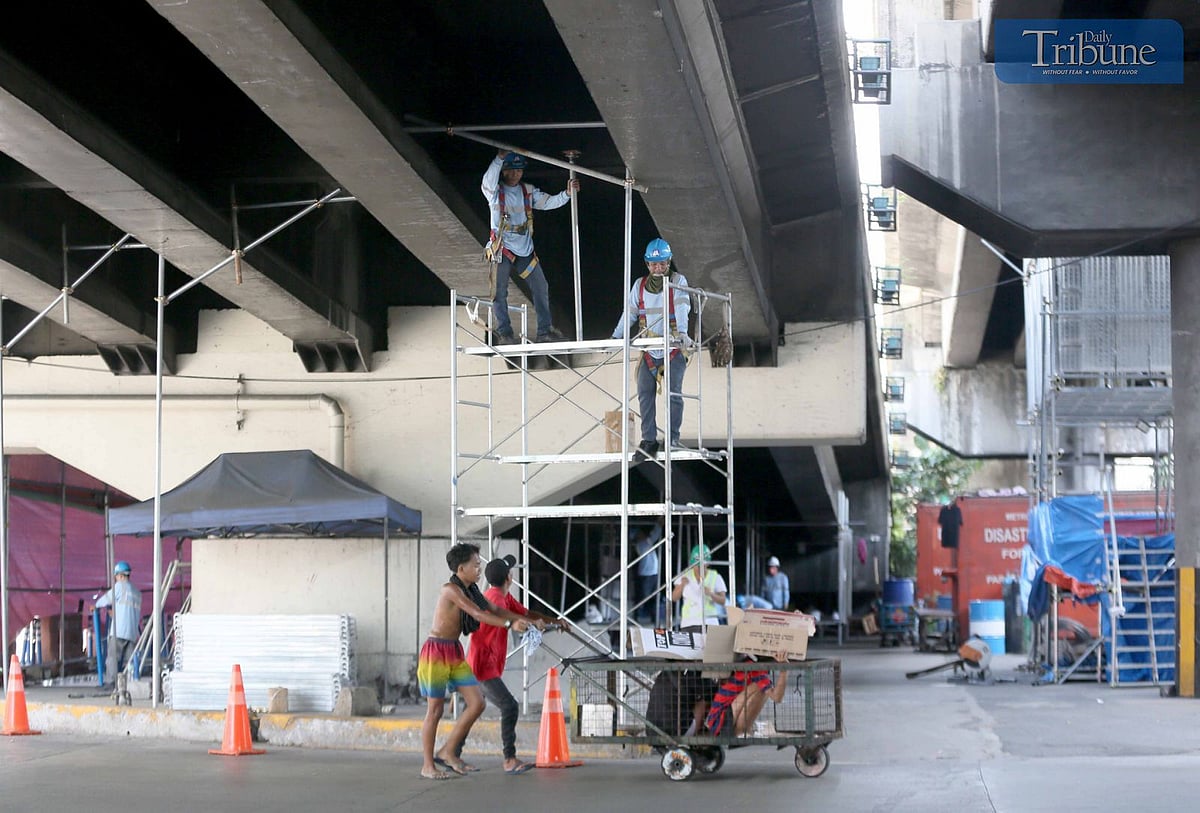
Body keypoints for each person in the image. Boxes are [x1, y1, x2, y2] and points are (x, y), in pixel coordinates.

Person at [419, 543, 530, 780]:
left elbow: (492, 609)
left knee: (477, 702)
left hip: (455, 651)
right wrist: (511, 624)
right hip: (436, 651)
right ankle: (428, 765)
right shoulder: (451, 590)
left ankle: (449, 751)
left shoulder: (471, 589)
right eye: (476, 565)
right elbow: (479, 615)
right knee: (435, 709)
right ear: (461, 568)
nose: (480, 569)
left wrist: (523, 620)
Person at [460, 554, 564, 775]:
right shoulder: (495, 599)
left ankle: (453, 753)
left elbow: (526, 614)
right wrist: (523, 623)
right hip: (482, 666)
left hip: (486, 664)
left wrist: (555, 622)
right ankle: (509, 759)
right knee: (509, 706)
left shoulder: (503, 598)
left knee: (475, 709)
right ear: (510, 577)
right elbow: (517, 619)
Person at [482, 150, 578, 345]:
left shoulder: (528, 191)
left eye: (519, 170)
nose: (516, 174)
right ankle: (505, 334)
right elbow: (487, 180)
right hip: (502, 249)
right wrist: (498, 158)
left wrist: (567, 194)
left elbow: (548, 202)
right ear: (504, 171)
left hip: (524, 250)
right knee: (498, 292)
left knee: (541, 287)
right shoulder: (494, 192)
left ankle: (544, 332)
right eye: (511, 170)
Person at [612, 238, 691, 459]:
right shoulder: (640, 285)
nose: (659, 268)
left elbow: (683, 306)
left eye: (663, 264)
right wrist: (616, 336)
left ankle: (673, 438)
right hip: (649, 350)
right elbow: (629, 313)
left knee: (674, 393)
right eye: (654, 264)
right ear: (648, 264)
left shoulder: (677, 281)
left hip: (673, 348)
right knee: (645, 393)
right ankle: (649, 440)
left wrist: (682, 332)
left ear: (668, 262)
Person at [704, 650, 790, 736]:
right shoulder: (753, 669)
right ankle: (741, 733)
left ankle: (742, 732)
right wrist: (784, 671)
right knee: (761, 689)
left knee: (764, 689)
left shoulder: (746, 665)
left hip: (717, 722)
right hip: (720, 724)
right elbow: (777, 697)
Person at [93, 560, 142, 687]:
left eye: (116, 577)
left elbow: (106, 599)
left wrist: (95, 605)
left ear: (120, 575)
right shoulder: (137, 592)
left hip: (119, 631)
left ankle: (111, 683)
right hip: (132, 632)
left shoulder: (119, 586)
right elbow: (128, 610)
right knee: (130, 661)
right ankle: (131, 684)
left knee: (113, 658)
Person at [671, 544, 726, 632]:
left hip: (710, 622)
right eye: (697, 565)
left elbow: (723, 600)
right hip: (689, 623)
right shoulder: (685, 576)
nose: (699, 568)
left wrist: (711, 594)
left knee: (711, 645)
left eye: (702, 565)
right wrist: (682, 585)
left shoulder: (716, 577)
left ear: (707, 564)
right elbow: (674, 597)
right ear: (692, 564)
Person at [634, 524, 662, 624]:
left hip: (651, 573)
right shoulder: (642, 544)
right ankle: (642, 616)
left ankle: (652, 617)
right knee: (646, 597)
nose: (643, 534)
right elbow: (654, 535)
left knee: (652, 597)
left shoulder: (643, 543)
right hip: (647, 574)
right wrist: (660, 523)